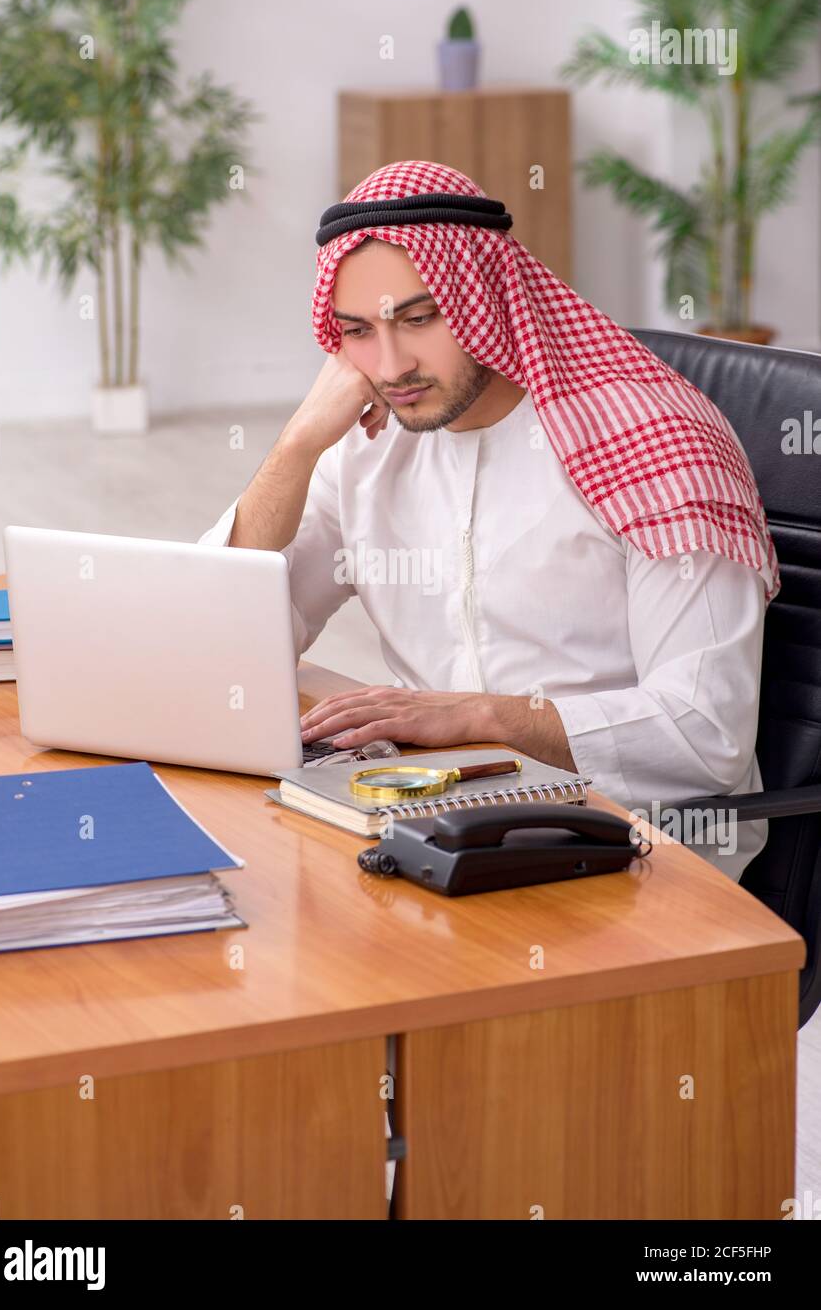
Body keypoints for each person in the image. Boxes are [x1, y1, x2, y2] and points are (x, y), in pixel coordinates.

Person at [199, 160, 779, 882]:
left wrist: (480, 718)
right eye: (357, 332)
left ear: (486, 297)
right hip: (438, 814)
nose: (390, 364)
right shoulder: (364, 448)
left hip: (639, 844)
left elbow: (703, 734)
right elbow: (220, 638)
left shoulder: (652, 445)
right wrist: (296, 445)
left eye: (418, 319)